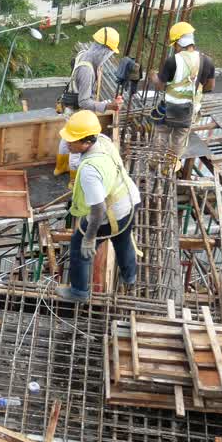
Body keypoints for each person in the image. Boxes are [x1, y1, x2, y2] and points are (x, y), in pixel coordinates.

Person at [57, 111, 141, 302]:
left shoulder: (89, 170)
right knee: (122, 239)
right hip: (130, 200)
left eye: (72, 141)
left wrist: (89, 238)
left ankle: (79, 292)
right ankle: (130, 277)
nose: (67, 144)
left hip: (111, 213)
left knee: (79, 246)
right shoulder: (102, 140)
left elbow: (98, 209)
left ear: (86, 142)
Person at [151, 21, 216, 167]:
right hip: (189, 110)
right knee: (179, 139)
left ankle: (155, 163)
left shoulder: (172, 61)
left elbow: (160, 86)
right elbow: (210, 87)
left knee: (162, 135)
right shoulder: (207, 61)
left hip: (170, 108)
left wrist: (153, 77)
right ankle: (169, 166)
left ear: (177, 43)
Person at [61, 27, 124, 116]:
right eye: (109, 53)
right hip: (75, 115)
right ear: (103, 50)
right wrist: (108, 106)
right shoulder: (86, 70)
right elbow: (84, 102)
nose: (108, 57)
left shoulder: (83, 53)